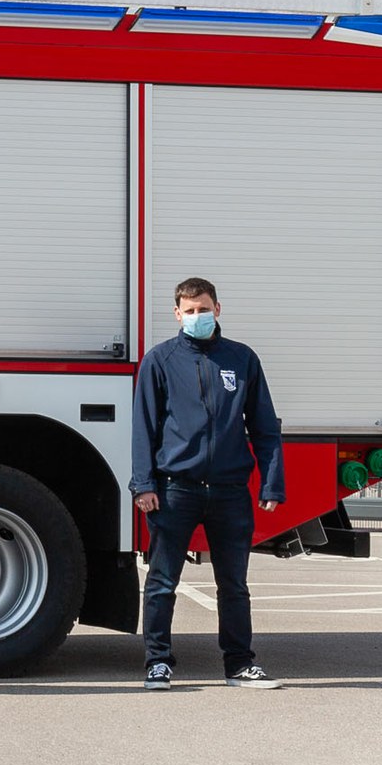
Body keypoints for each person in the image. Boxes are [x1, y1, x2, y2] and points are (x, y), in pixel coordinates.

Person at [131, 277, 285, 690]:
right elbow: (143, 427)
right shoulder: (159, 361)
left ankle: (239, 664)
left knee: (233, 584)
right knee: (163, 582)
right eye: (189, 310)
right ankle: (158, 663)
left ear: (218, 308)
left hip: (229, 491)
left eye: (204, 308)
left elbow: (265, 426)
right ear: (177, 314)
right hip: (173, 489)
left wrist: (271, 483)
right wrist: (143, 484)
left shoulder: (242, 359)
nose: (197, 316)